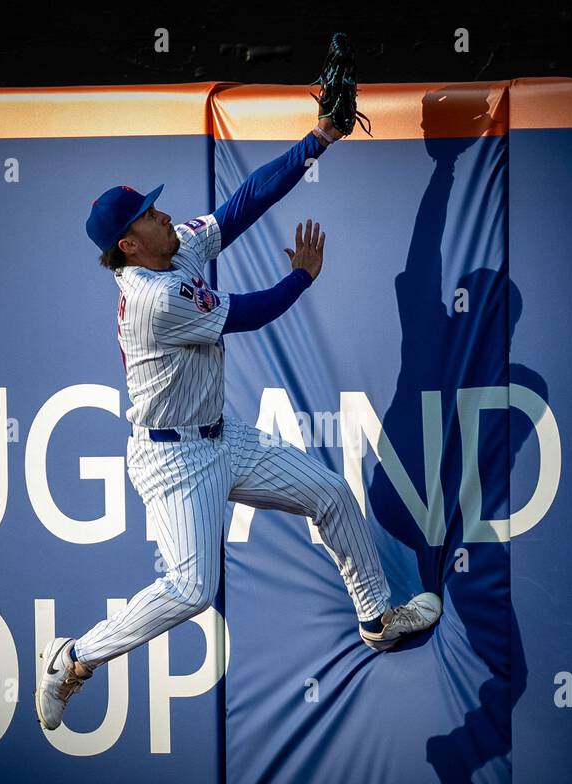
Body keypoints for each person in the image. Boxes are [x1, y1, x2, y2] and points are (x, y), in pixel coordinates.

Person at [35, 113, 442, 732]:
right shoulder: (154, 296)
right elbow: (250, 313)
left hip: (221, 435)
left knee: (330, 494)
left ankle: (377, 620)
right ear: (128, 245)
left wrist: (319, 140)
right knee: (192, 590)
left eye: (154, 207)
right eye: (147, 215)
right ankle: (75, 660)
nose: (162, 214)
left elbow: (244, 202)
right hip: (173, 463)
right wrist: (301, 277)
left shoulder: (171, 249)